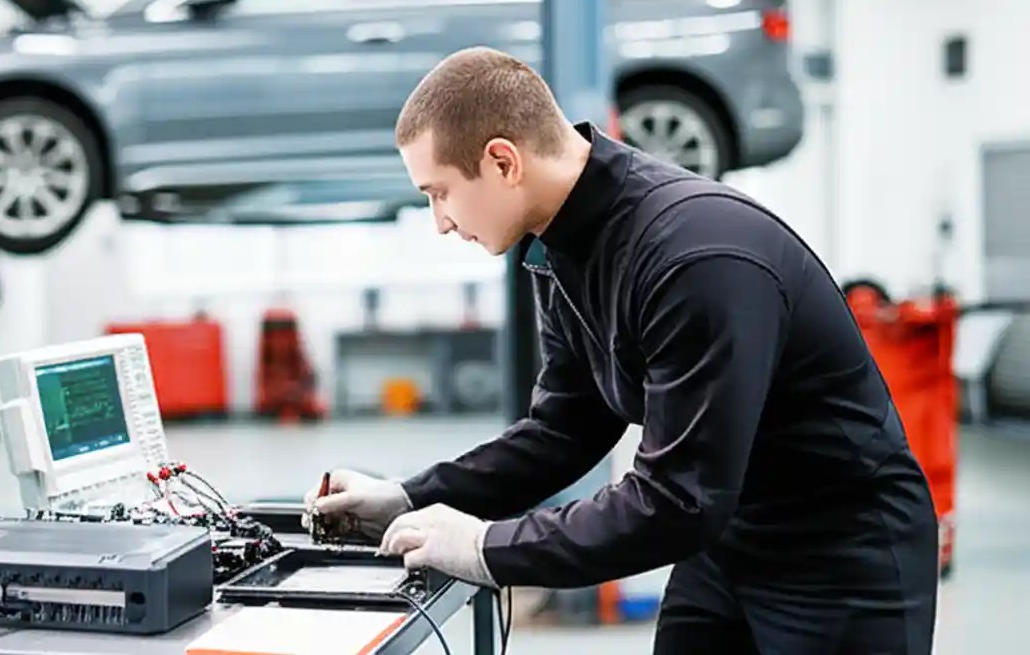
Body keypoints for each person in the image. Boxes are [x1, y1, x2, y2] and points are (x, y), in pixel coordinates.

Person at [305, 47, 938, 653]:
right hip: (727, 544)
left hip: (839, 558)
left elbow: (678, 499)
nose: (440, 220)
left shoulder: (695, 258)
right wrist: (410, 497)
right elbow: (562, 430)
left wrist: (487, 549)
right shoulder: (561, 246)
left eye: (438, 192)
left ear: (503, 162)